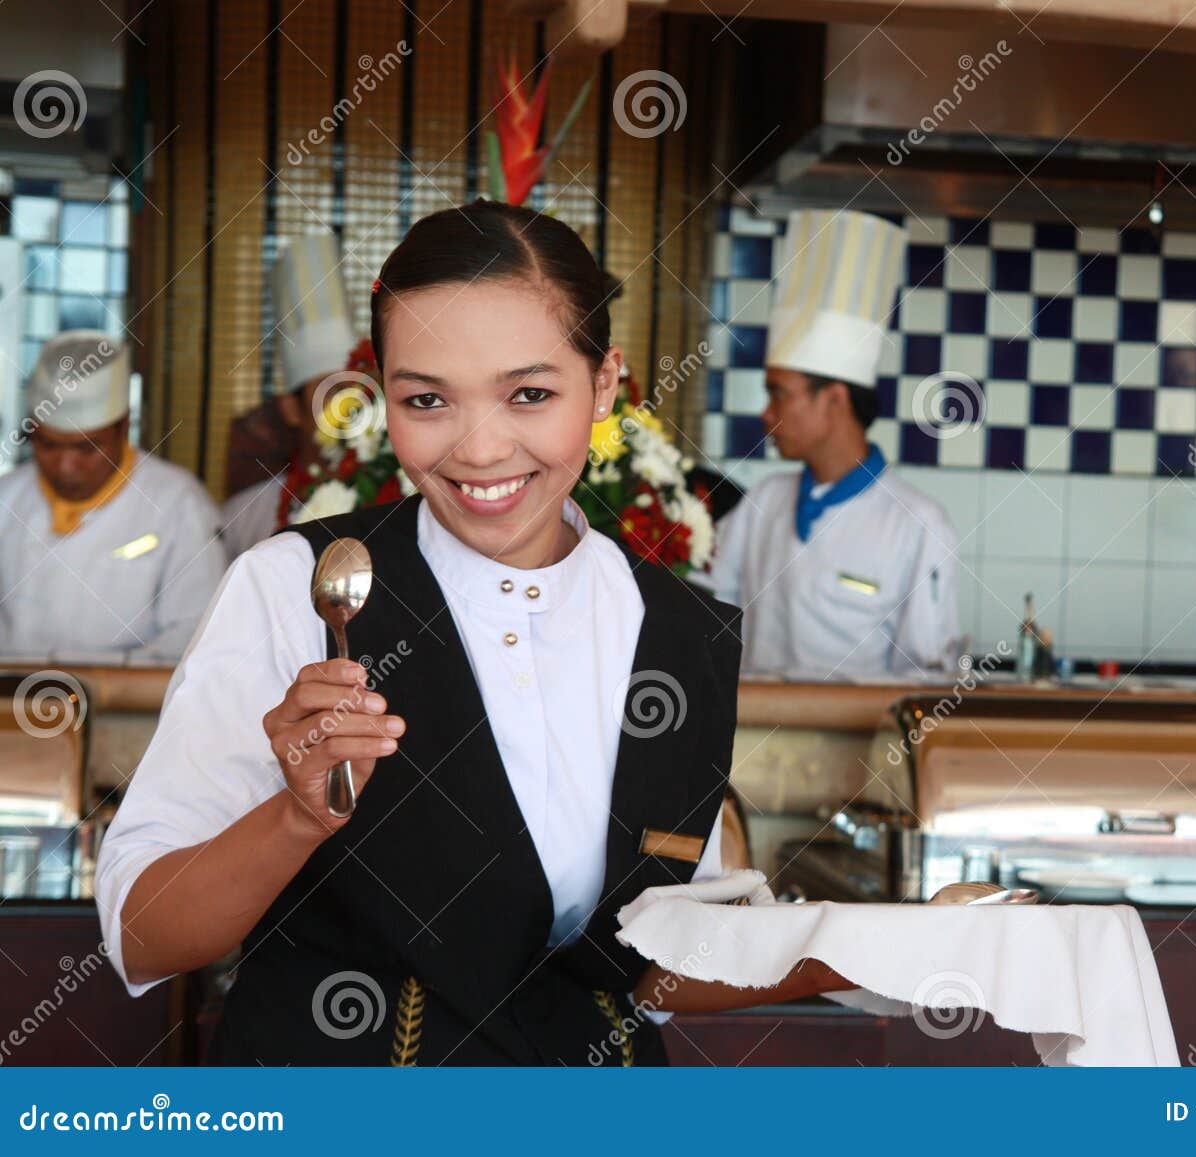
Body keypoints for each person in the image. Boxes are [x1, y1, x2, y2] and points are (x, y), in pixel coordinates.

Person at [94, 202, 855, 1066]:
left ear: (604, 384)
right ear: (382, 398)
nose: (481, 448)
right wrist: (297, 816)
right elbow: (143, 933)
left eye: (530, 393)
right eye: (428, 400)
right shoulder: (296, 588)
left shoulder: (678, 632)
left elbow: (662, 964)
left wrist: (887, 952)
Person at [707, 209, 961, 678]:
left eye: (779, 394)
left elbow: (926, 674)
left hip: (860, 751)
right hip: (752, 743)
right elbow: (707, 607)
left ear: (834, 401)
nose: (766, 413)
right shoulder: (764, 500)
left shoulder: (919, 525)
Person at [0, 332, 227, 662]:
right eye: (48, 445)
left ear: (123, 427)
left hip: (131, 709)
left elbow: (195, 636)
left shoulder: (180, 505)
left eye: (86, 448)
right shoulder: (7, 500)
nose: (66, 467)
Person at [221, 232, 359, 557]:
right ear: (291, 410)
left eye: (360, 391)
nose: (351, 408)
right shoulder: (243, 517)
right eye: (332, 392)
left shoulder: (399, 500)